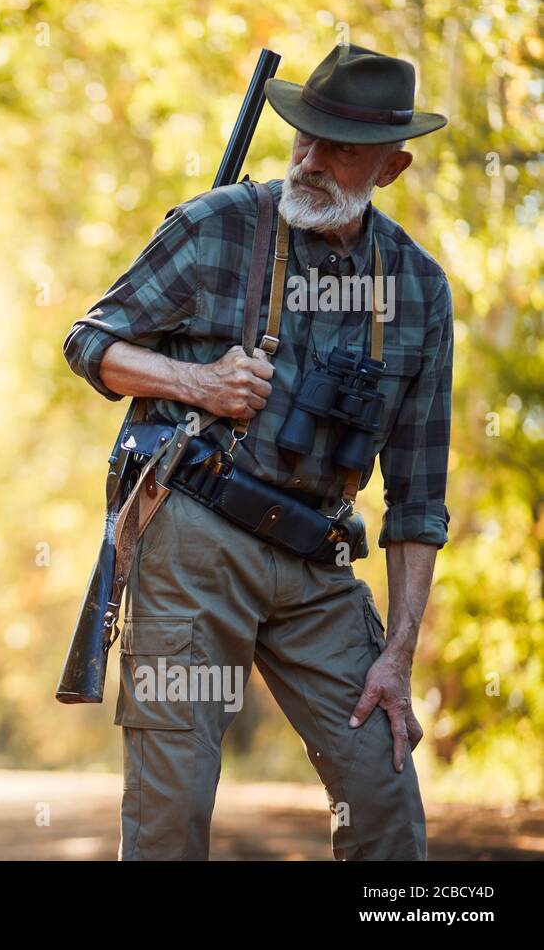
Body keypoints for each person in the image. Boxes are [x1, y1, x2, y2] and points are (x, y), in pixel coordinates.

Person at [62, 43, 453, 860]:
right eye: (302, 136)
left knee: (384, 799)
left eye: (339, 147)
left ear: (392, 168)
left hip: (318, 563)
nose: (309, 160)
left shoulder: (420, 289)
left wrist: (399, 656)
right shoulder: (216, 226)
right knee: (172, 814)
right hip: (196, 541)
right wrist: (198, 383)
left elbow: (418, 501)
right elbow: (89, 343)